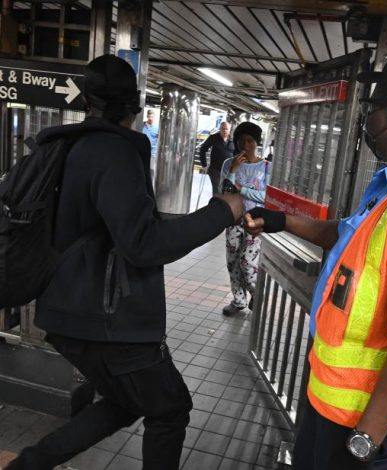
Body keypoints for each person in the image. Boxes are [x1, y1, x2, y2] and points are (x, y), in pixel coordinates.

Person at [5, 55, 247, 470]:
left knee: (123, 402)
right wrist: (222, 212)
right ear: (134, 107)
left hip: (67, 312)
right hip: (109, 322)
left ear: (87, 101)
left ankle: (27, 465)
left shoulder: (66, 146)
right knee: (169, 409)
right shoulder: (113, 152)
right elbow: (144, 244)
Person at [245, 45, 387, 469]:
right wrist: (282, 221)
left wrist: (365, 441)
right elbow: (349, 237)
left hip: (367, 427)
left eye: (371, 109)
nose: (367, 120)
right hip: (337, 407)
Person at [220, 121, 271, 316]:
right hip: (233, 220)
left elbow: (267, 197)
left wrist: (243, 190)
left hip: (256, 223)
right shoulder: (228, 164)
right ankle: (238, 301)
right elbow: (224, 191)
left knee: (247, 262)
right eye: (241, 141)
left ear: (257, 142)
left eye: (250, 141)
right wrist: (233, 171)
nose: (245, 145)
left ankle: (257, 296)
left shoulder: (266, 167)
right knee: (233, 261)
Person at [199, 121, 234, 196]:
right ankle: (216, 206)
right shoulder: (213, 137)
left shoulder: (233, 140)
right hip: (215, 170)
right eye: (222, 129)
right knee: (217, 191)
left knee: (227, 192)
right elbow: (202, 149)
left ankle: (224, 206)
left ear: (229, 130)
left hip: (229, 171)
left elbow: (237, 154)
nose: (224, 131)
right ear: (220, 129)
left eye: (226, 129)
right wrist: (204, 164)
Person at [142, 109, 159, 178]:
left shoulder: (157, 128)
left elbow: (159, 139)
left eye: (152, 117)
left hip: (152, 152)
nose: (151, 118)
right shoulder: (142, 125)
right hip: (142, 151)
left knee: (151, 170)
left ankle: (150, 185)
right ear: (147, 117)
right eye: (149, 117)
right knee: (142, 168)